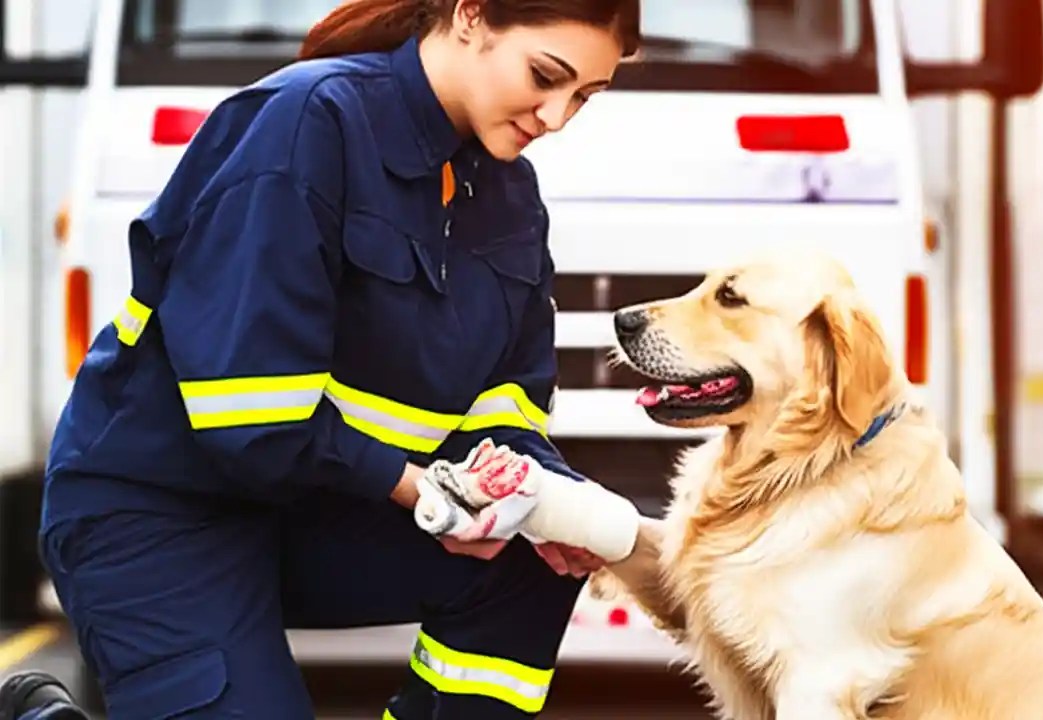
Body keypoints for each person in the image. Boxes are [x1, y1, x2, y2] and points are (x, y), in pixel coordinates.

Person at [6, 0, 643, 717]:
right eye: (545, 76)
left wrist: (541, 496)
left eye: (584, 96)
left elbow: (508, 400)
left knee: (530, 551)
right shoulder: (307, 123)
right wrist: (422, 490)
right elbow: (252, 415)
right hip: (161, 513)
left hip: (319, 508)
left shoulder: (509, 194)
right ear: (470, 16)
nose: (555, 117)